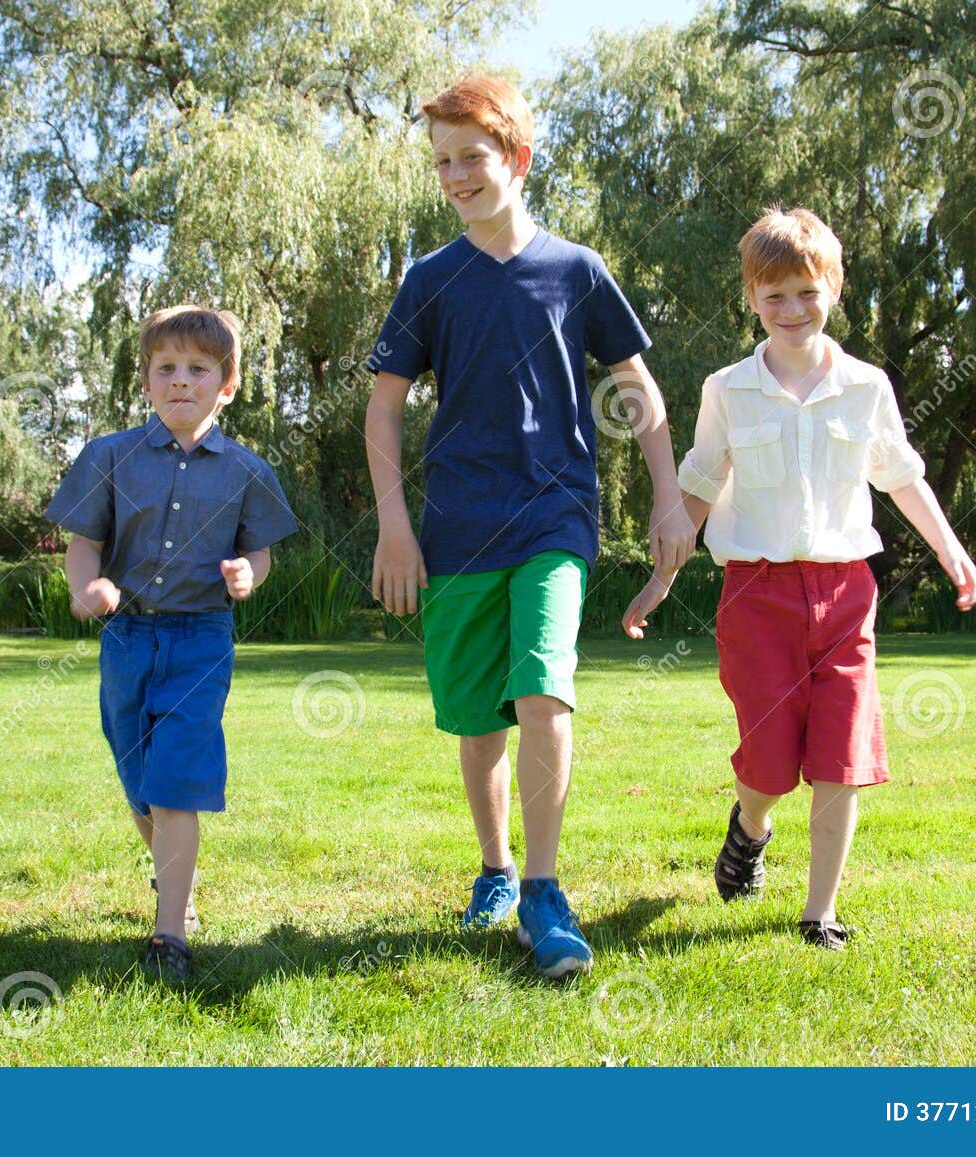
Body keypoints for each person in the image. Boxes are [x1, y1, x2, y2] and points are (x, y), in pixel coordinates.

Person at [365, 75, 693, 978]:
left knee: (544, 687)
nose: (456, 176)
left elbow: (637, 389)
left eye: (471, 156)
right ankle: (497, 869)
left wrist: (668, 495)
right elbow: (383, 408)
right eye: (441, 162)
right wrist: (395, 524)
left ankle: (544, 889)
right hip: (456, 526)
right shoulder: (430, 280)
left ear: (518, 158)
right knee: (480, 720)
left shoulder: (576, 270)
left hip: (555, 515)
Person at [623, 207, 976, 950]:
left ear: (834, 290)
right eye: (775, 295)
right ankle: (750, 826)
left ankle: (820, 913)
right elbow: (698, 486)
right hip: (757, 596)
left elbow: (902, 477)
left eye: (808, 292)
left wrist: (950, 549)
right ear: (752, 298)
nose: (792, 309)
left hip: (846, 591)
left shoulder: (865, 386)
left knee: (841, 756)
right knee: (768, 763)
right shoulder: (729, 389)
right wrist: (660, 580)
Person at [45, 304, 297, 981]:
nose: (180, 380)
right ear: (146, 380)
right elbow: (84, 542)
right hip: (127, 636)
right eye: (166, 368)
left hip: (200, 639)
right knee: (140, 780)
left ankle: (170, 936)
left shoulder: (246, 471)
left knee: (176, 780)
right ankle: (174, 878)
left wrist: (249, 574)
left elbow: (261, 553)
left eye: (198, 368)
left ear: (227, 385)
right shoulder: (109, 456)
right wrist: (86, 586)